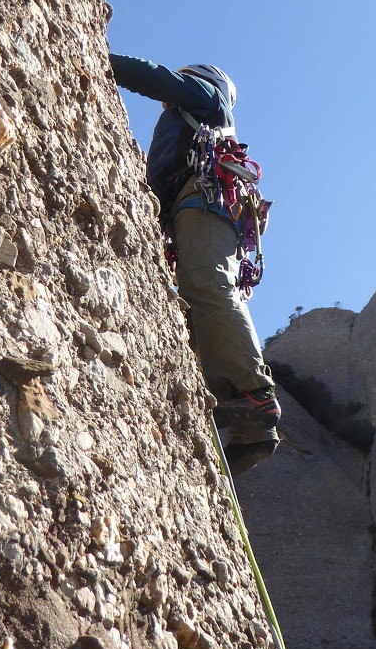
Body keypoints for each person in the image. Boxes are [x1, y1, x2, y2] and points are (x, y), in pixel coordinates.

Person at [109, 53, 280, 473]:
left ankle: (253, 394)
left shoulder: (206, 98)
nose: (167, 105)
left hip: (203, 202)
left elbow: (155, 78)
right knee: (198, 298)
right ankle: (245, 425)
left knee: (207, 285)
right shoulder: (192, 121)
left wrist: (100, 54)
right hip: (195, 210)